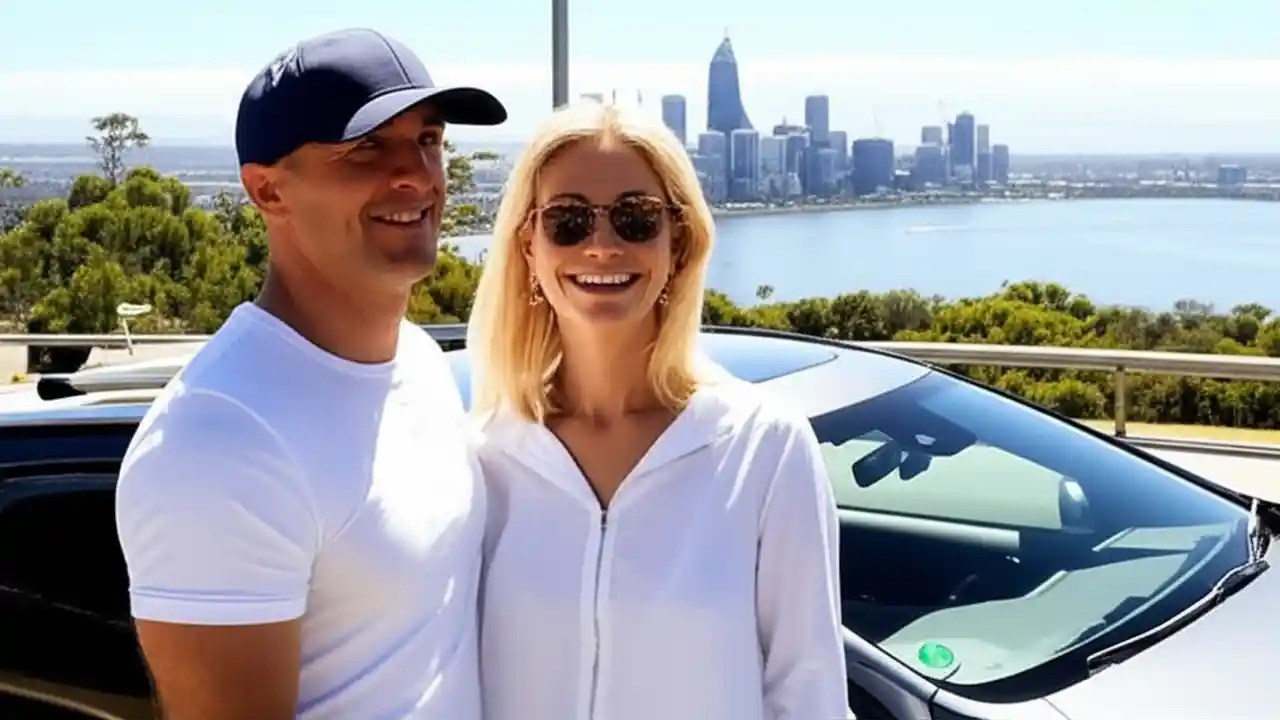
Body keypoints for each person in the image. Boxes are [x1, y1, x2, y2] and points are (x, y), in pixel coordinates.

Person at [113, 28, 506, 719]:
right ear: (267, 191)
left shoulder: (416, 361)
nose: (416, 174)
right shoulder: (217, 441)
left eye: (429, 140)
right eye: (366, 149)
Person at [465, 102, 851, 720]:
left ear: (680, 241)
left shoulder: (765, 448)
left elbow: (810, 697)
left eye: (635, 219)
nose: (601, 246)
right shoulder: (481, 458)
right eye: (567, 221)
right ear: (528, 247)